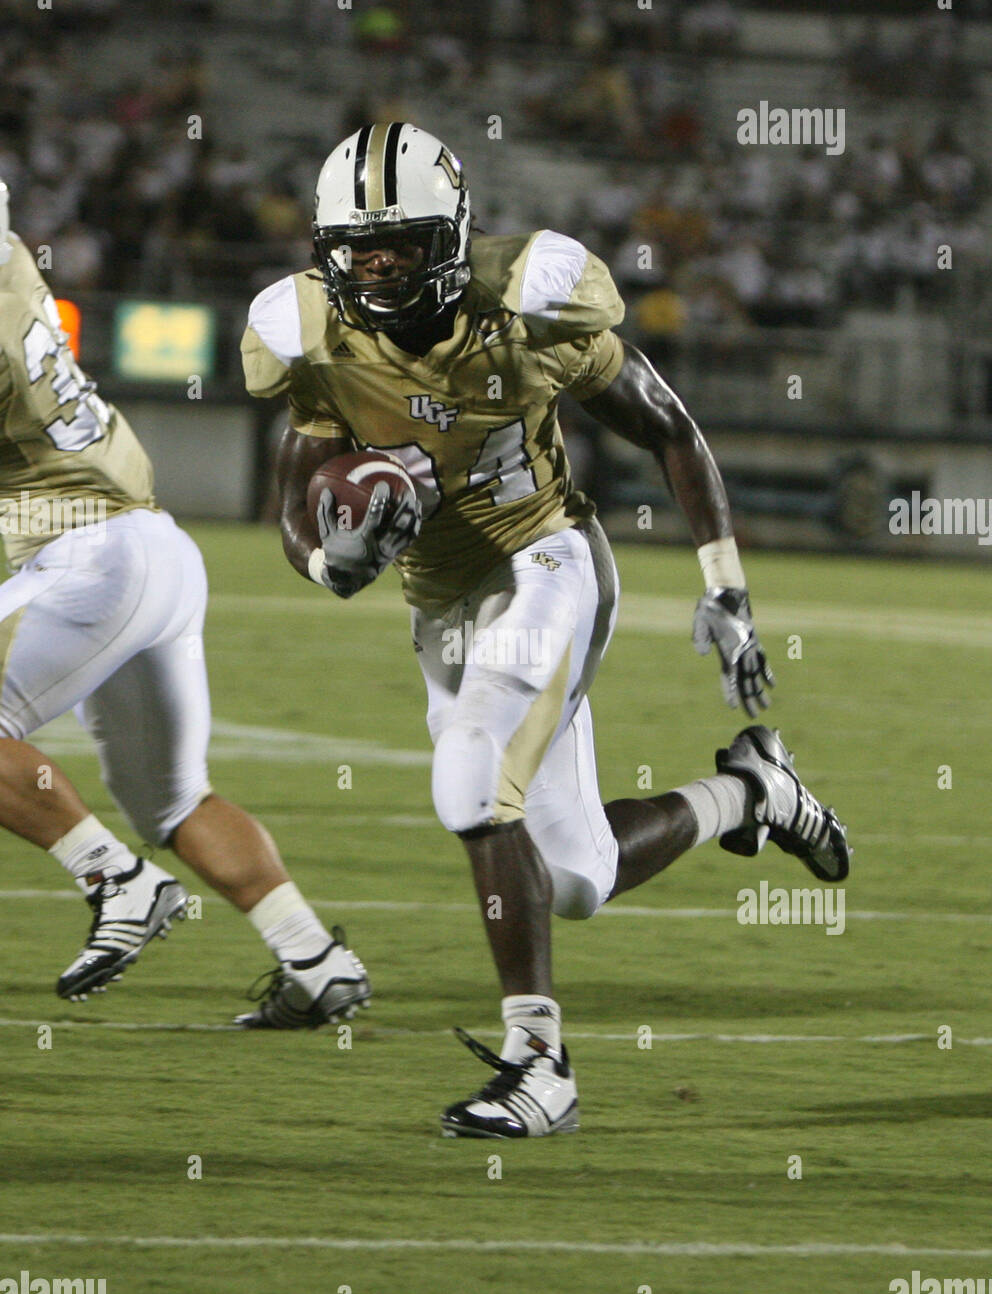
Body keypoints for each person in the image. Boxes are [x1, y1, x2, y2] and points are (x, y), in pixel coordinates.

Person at [241, 124, 849, 1136]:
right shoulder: (314, 339)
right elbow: (295, 509)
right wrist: (328, 559)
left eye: (401, 240)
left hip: (547, 563)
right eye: (359, 246)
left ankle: (539, 1063)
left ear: (452, 235)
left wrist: (725, 588)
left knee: (471, 777)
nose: (377, 263)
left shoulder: (526, 306)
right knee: (573, 875)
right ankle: (751, 788)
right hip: (441, 605)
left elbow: (668, 426)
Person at [0, 180, 368, 1028]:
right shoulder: (17, 263)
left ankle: (116, 879)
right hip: (152, 553)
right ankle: (316, 960)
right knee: (174, 801)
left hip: (94, 558)